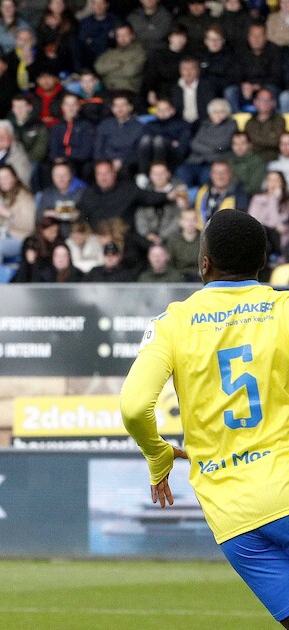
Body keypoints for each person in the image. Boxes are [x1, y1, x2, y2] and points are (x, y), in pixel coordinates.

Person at [120, 209, 289, 629]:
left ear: (205, 263)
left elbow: (133, 406)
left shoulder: (172, 323)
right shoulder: (283, 309)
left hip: (235, 518)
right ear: (262, 263)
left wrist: (158, 454)